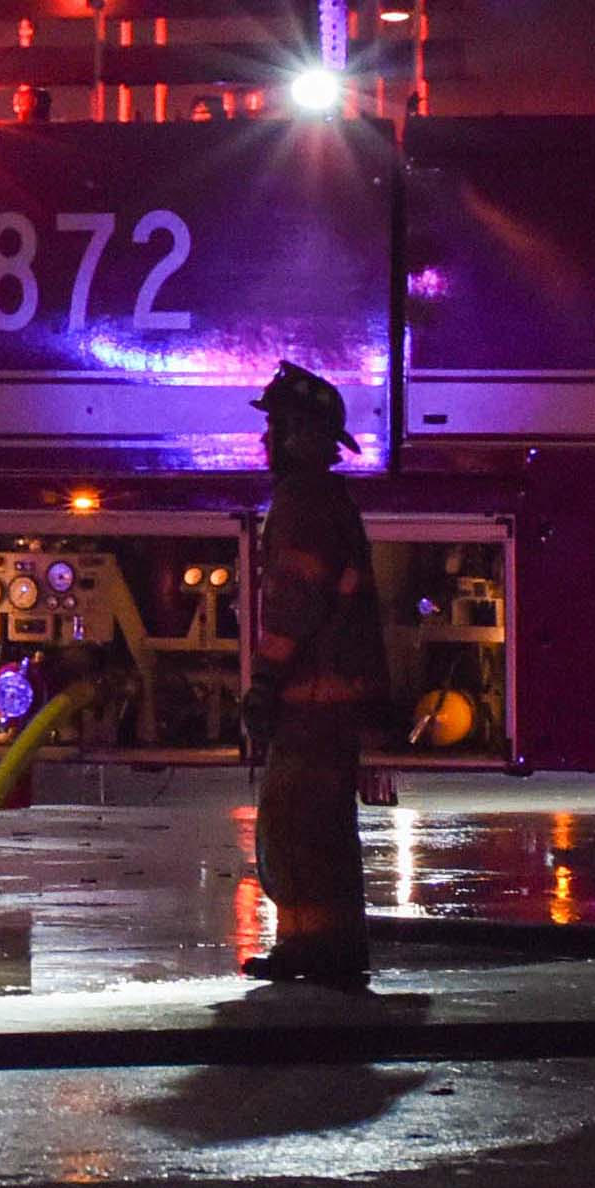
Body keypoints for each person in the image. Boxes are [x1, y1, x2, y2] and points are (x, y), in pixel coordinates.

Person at [242, 362, 389, 988]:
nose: (266, 439)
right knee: (319, 826)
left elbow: (295, 605)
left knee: (295, 824)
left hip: (312, 700)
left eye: (276, 426)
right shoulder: (327, 500)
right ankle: (319, 945)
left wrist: (265, 683)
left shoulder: (302, 505)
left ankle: (314, 947)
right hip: (331, 698)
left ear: (302, 435)